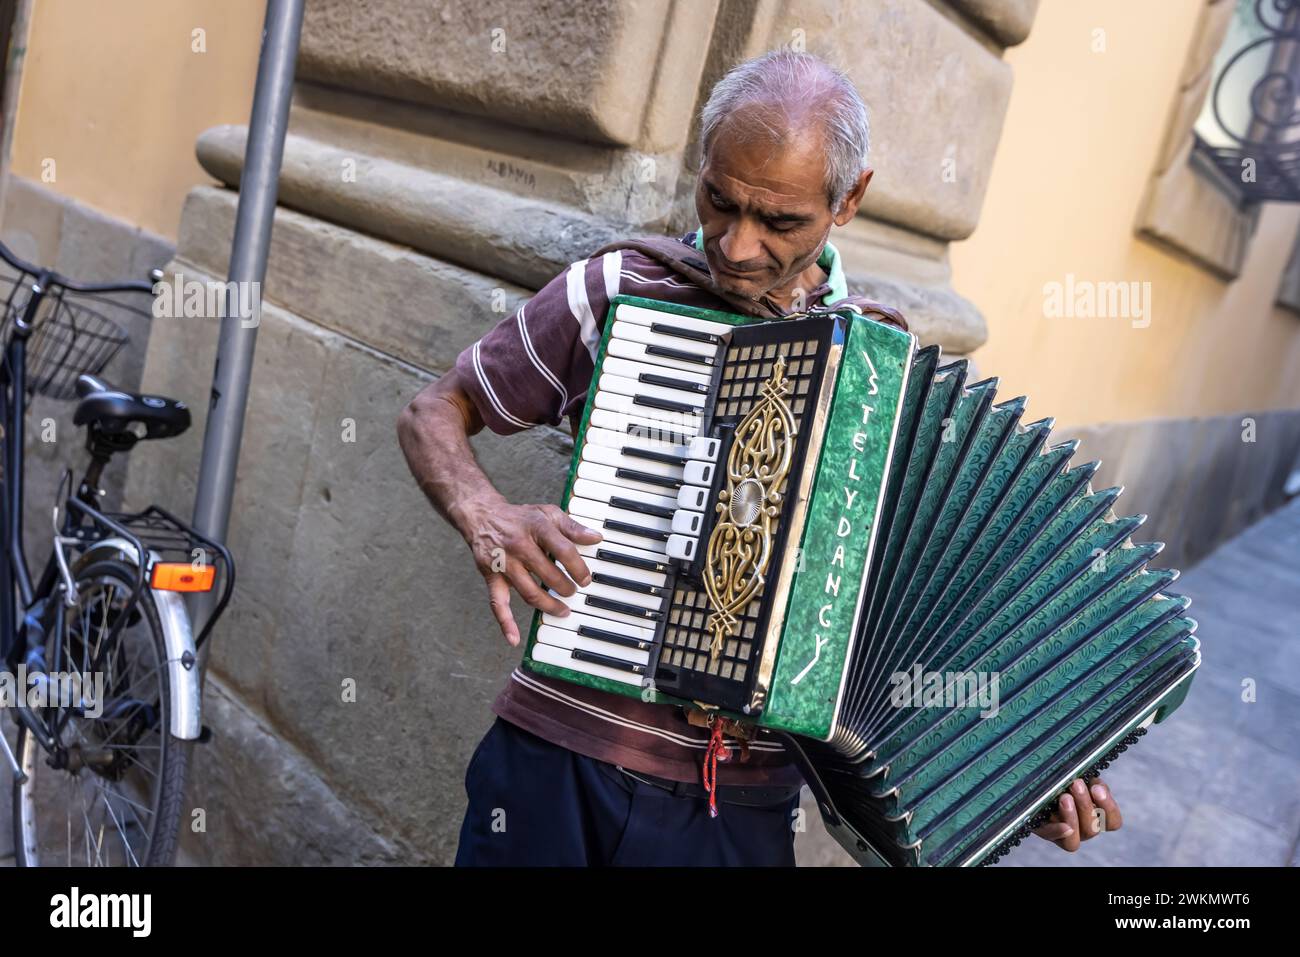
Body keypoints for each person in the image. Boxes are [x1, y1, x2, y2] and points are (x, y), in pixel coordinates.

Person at [398, 49, 1122, 866]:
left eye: (779, 222)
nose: (737, 246)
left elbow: (935, 590)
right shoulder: (618, 288)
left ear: (849, 199)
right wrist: (486, 512)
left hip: (737, 807)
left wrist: (1021, 773)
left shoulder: (880, 366)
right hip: (556, 757)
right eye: (720, 201)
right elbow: (435, 411)